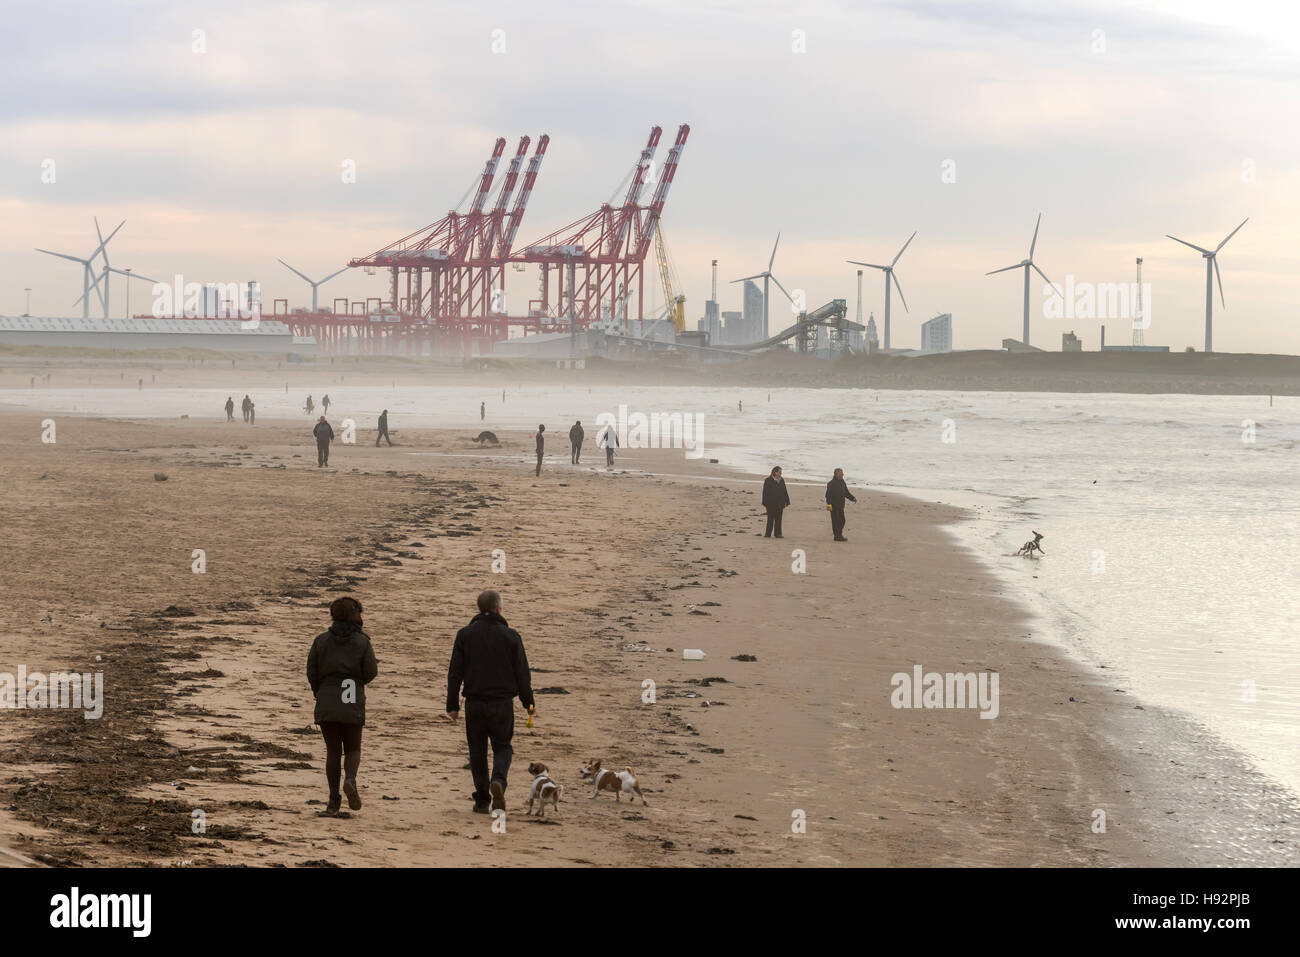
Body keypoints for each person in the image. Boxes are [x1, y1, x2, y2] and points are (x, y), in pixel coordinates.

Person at [446, 589, 534, 815]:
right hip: (501, 703)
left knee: (477, 751)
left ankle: (483, 799)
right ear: (498, 608)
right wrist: (528, 702)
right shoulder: (511, 636)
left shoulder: (465, 635)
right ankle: (499, 781)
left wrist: (452, 705)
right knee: (503, 747)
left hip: (474, 702)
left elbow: (455, 672)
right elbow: (522, 673)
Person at [306, 597, 378, 817]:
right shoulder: (362, 642)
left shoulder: (321, 640)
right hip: (351, 695)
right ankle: (350, 779)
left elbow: (311, 671)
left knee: (333, 751)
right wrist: (357, 684)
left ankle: (333, 798)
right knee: (353, 747)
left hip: (327, 696)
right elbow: (371, 671)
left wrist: (320, 690)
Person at [825, 467, 858, 542]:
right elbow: (827, 496)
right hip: (833, 506)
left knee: (842, 520)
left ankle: (839, 535)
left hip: (841, 506)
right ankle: (837, 536)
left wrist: (852, 498)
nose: (843, 474)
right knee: (836, 521)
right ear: (836, 474)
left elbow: (846, 492)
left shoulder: (842, 482)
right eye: (841, 473)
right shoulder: (831, 484)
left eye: (842, 473)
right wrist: (829, 506)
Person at [762, 466, 790, 538]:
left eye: (781, 472)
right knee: (770, 519)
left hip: (780, 503)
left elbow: (785, 491)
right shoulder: (768, 480)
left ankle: (778, 534)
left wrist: (787, 501)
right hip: (770, 503)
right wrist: (764, 502)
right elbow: (765, 492)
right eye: (780, 472)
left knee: (779, 519)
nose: (781, 473)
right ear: (775, 472)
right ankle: (768, 533)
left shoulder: (782, 480)